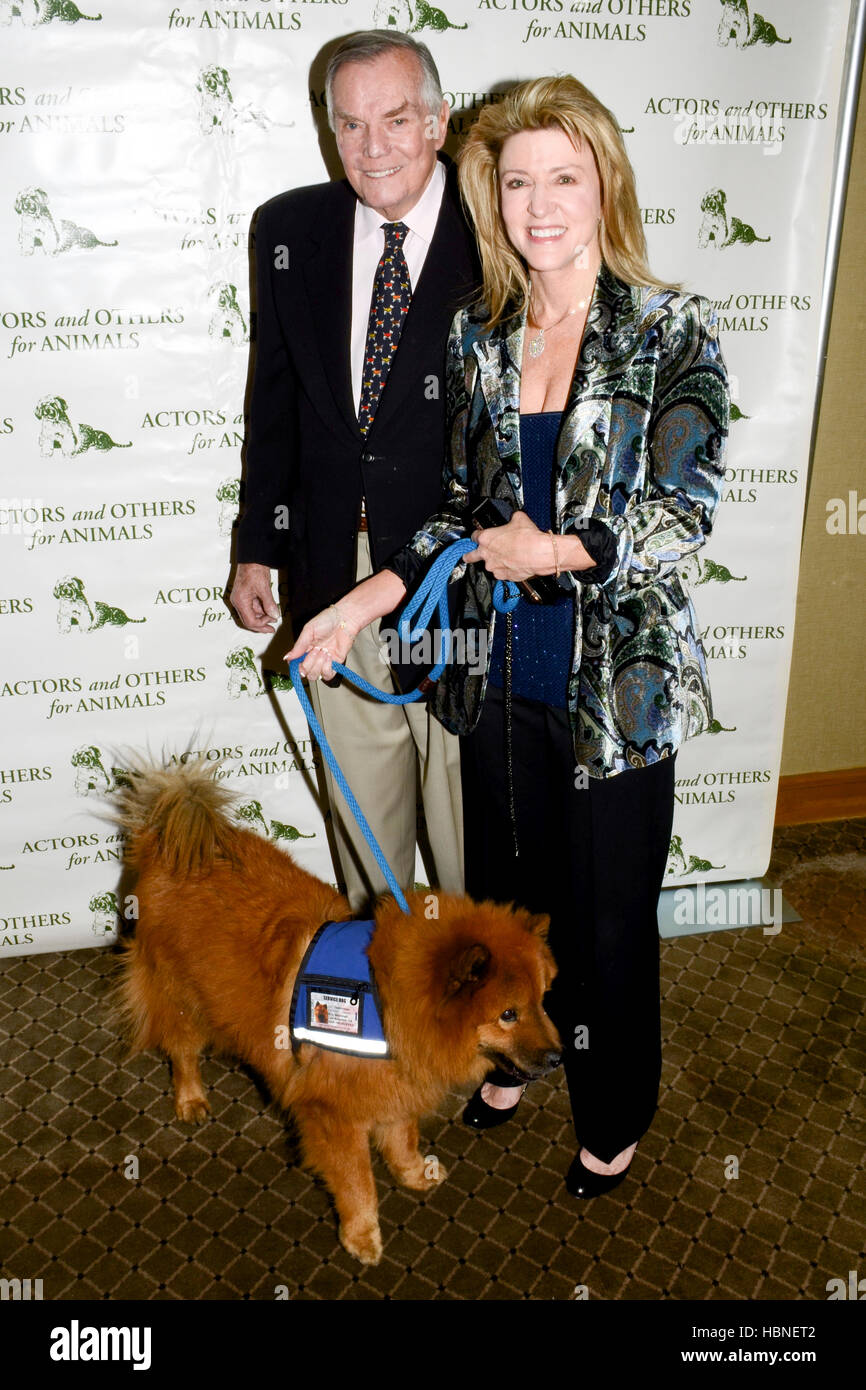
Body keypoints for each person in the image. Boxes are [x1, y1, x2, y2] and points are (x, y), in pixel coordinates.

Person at [287, 75, 729, 1197]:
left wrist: (560, 551)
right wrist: (356, 602)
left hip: (612, 688)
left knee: (608, 920)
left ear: (603, 185)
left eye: (562, 179)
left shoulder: (664, 325)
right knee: (507, 896)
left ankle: (614, 1104)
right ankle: (518, 1056)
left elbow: (685, 509)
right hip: (492, 677)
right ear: (493, 193)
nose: (538, 205)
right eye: (517, 180)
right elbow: (453, 512)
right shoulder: (481, 335)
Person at [230, 31, 479, 913]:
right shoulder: (290, 229)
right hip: (331, 564)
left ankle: (483, 1011)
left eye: (396, 119)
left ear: (439, 121)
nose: (373, 148)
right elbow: (277, 398)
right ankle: (392, 991)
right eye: (350, 126)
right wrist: (259, 543)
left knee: (466, 825)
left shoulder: (503, 227)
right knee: (367, 826)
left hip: (461, 582)